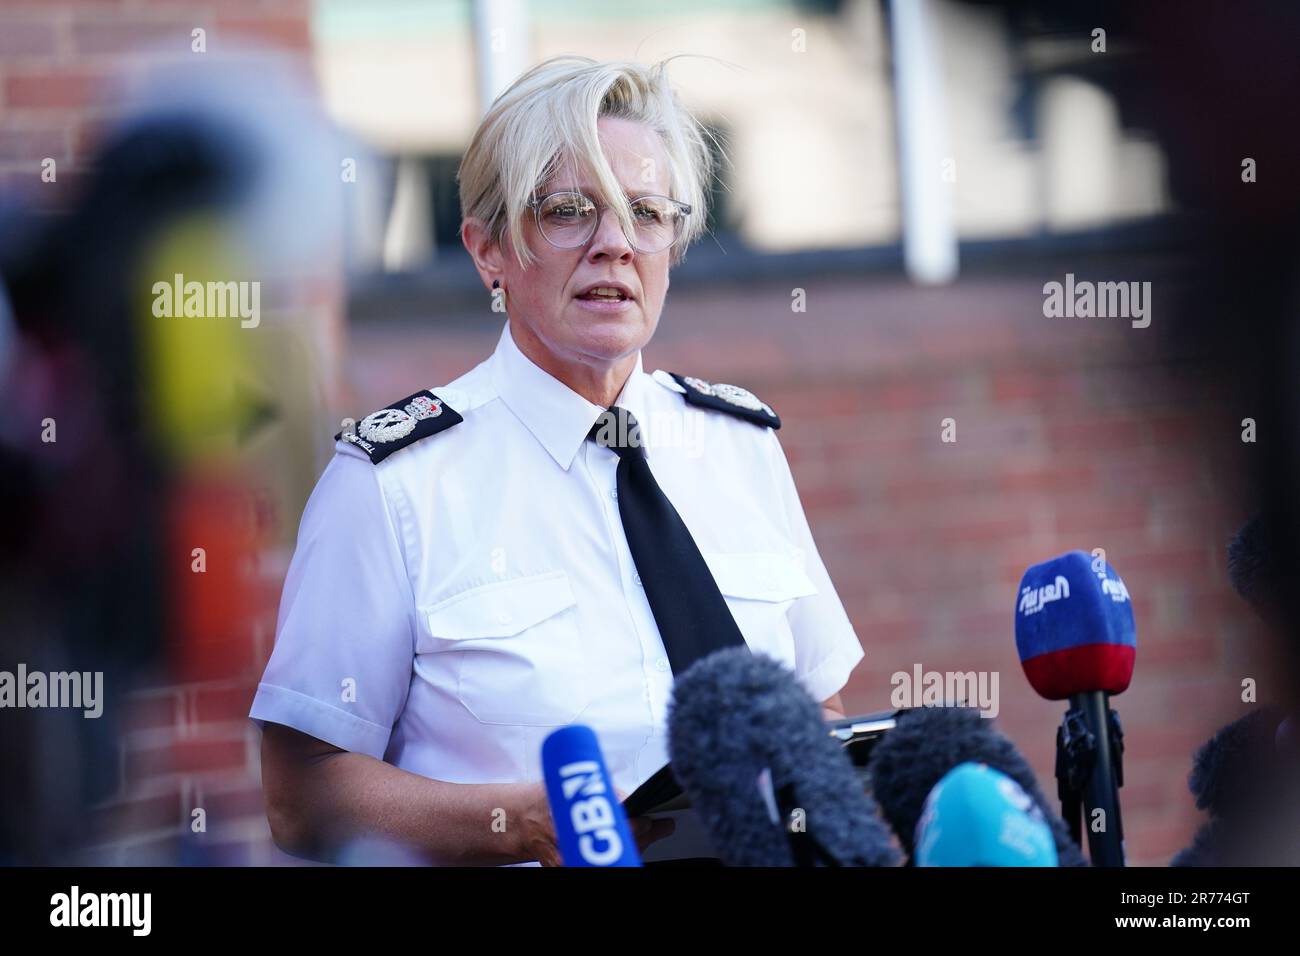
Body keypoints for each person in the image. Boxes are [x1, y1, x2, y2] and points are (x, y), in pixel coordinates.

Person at [250, 55, 865, 866]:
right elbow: (301, 795)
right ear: (489, 252)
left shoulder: (741, 446)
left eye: (646, 213)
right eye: (571, 211)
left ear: (673, 246)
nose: (614, 244)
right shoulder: (392, 485)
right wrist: (516, 821)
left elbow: (818, 707)